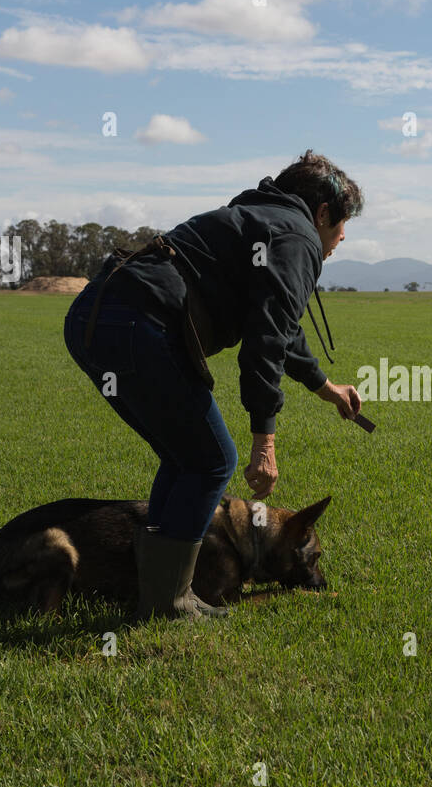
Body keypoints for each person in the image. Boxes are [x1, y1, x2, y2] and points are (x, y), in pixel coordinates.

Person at [63, 150, 364, 620]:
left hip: (95, 318)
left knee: (188, 459)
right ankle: (169, 602)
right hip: (137, 325)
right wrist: (265, 442)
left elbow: (279, 328)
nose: (340, 239)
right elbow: (264, 343)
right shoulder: (298, 235)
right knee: (212, 460)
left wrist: (328, 388)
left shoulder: (263, 219)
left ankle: (159, 590)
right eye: (340, 228)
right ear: (322, 213)